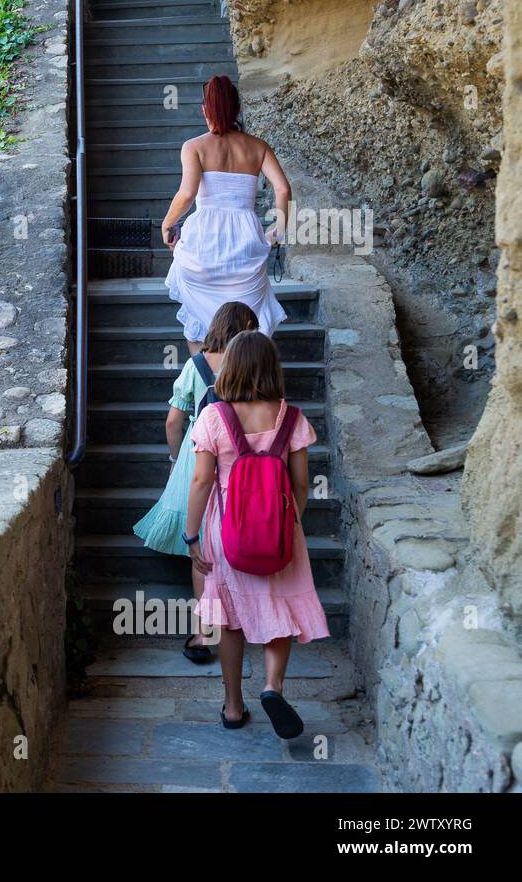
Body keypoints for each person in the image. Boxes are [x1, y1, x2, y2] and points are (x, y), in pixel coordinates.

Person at [182, 330, 329, 739]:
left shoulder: (215, 417)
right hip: (280, 531)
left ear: (230, 366)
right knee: (279, 609)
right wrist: (287, 521)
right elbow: (300, 483)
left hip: (225, 530)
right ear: (271, 367)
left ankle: (232, 707)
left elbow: (200, 481)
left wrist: (191, 536)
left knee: (227, 620)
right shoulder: (291, 417)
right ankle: (272, 686)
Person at [132, 301, 259, 664]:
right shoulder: (255, 364)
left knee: (202, 550)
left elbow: (174, 420)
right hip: (244, 459)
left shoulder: (197, 365)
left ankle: (205, 631)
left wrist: (174, 460)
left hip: (200, 455)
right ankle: (246, 617)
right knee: (237, 539)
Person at [160, 75, 290, 356]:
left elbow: (186, 195)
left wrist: (168, 223)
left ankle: (207, 387)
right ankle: (244, 383)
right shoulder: (257, 147)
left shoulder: (194, 147)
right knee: (247, 322)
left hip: (205, 242)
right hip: (245, 240)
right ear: (237, 109)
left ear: (205, 109)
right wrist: (279, 231)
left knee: (198, 319)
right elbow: (282, 188)